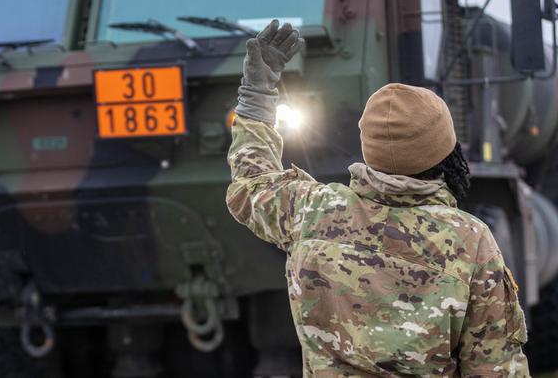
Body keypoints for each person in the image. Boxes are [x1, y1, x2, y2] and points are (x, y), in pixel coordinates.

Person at [226, 20, 530, 377]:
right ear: (447, 154)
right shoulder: (469, 239)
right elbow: (493, 366)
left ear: (369, 149)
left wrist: (257, 95)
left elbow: (252, 180)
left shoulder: (313, 211)